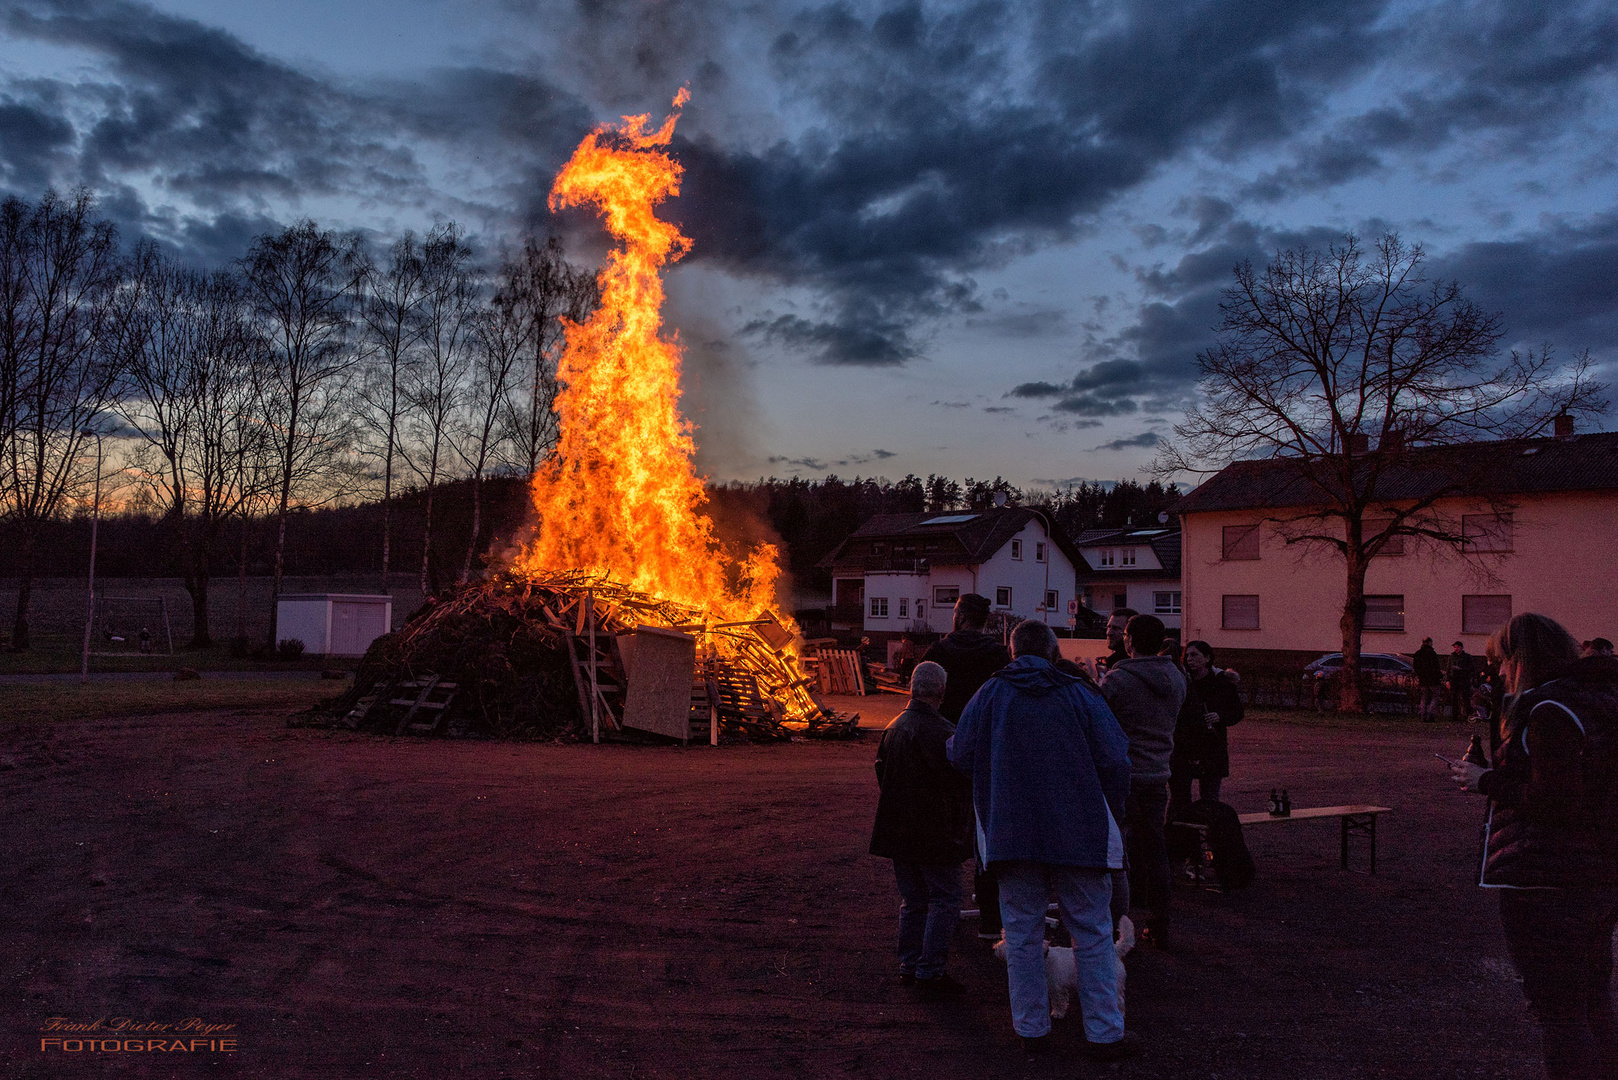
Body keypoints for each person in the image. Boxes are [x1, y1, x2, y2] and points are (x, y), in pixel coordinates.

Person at [947, 620, 1140, 1062]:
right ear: (1054, 653)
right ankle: (1105, 1034)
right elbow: (1115, 758)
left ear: (1011, 652)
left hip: (1012, 834)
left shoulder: (991, 694)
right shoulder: (1080, 694)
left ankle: (1031, 1030)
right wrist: (1110, 809)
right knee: (1092, 932)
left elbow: (959, 753)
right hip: (1080, 834)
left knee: (1021, 933)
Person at [1450, 613, 1618, 1079]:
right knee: (1591, 1001)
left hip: (1547, 880)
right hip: (1600, 874)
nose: (1499, 673)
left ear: (1520, 659)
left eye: (1502, 662)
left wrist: (1487, 781)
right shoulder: (1597, 699)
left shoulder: (1549, 712)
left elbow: (1555, 800)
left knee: (1560, 1013)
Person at [870, 662, 973, 997]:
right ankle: (930, 971)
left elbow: (882, 775)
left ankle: (909, 965)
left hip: (899, 830)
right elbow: (961, 778)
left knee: (913, 900)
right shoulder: (945, 732)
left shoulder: (892, 728)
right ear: (940, 692)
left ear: (912, 688)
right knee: (945, 898)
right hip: (936, 831)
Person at [920, 593, 1012, 940]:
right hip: (988, 752)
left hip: (945, 752)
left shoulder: (940, 652)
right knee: (987, 835)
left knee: (946, 828)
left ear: (959, 617)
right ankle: (990, 918)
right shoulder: (998, 654)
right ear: (986, 620)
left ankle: (941, 908)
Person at [1100, 614, 1187, 948]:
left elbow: (1100, 723)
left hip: (1123, 775)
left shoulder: (1118, 680)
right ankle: (1159, 921)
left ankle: (1114, 925)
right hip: (1158, 772)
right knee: (1155, 849)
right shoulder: (1177, 678)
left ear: (1130, 640)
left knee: (1115, 852)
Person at [1168, 640, 1244, 813]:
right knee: (1179, 797)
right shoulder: (1182, 681)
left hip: (1212, 747)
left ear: (1207, 657)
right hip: (1183, 747)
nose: (1189, 659)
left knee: (1210, 799)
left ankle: (1210, 833)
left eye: (1194, 655)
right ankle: (1177, 835)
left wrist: (1220, 716)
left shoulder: (1221, 683)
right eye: (1186, 655)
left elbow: (1237, 712)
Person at [1098, 607, 1136, 676]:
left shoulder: (1125, 666)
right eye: (1108, 627)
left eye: (1115, 628)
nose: (1109, 633)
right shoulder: (1112, 661)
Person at [1412, 637, 1443, 721]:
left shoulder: (1418, 653)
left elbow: (1415, 667)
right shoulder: (1432, 653)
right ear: (1430, 643)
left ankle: (1422, 714)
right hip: (1433, 679)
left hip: (1423, 680)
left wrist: (1420, 675)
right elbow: (1435, 666)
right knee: (1435, 696)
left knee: (1424, 697)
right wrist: (1440, 676)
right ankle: (1431, 714)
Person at [1447, 640, 1476, 721]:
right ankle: (1455, 715)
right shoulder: (1452, 657)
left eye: (1457, 647)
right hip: (1454, 680)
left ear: (1461, 648)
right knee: (1454, 698)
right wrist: (1447, 680)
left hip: (1463, 679)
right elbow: (1448, 669)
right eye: (1454, 647)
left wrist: (1462, 670)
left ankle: (1467, 714)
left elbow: (1471, 668)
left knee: (1465, 697)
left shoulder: (1467, 657)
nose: (1455, 649)